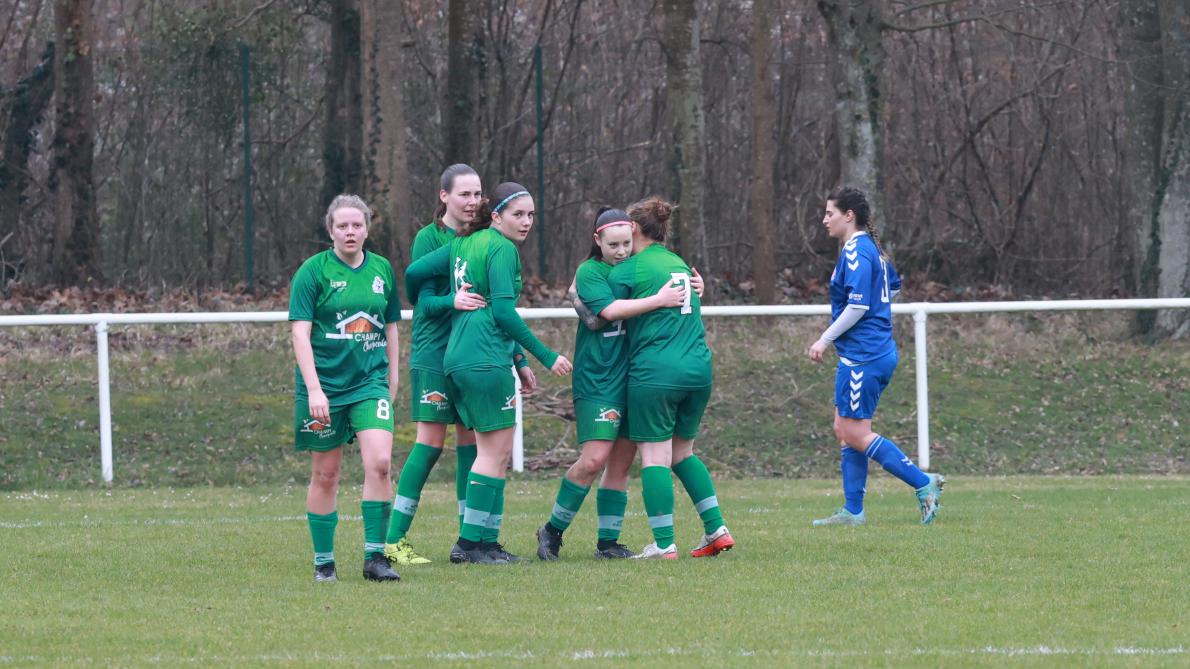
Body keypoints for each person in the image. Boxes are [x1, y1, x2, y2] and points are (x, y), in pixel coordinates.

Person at [405, 182, 572, 564]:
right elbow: (502, 313)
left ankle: (486, 541)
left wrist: (435, 300)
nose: (527, 221)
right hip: (484, 359)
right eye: (518, 214)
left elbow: (414, 272)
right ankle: (470, 544)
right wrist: (545, 356)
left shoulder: (465, 242)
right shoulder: (500, 248)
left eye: (531, 214)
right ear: (496, 215)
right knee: (492, 453)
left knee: (492, 453)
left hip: (458, 358)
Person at [535, 207, 689, 561]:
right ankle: (552, 530)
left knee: (619, 464)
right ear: (597, 241)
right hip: (598, 379)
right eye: (614, 244)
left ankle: (608, 542)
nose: (621, 251)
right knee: (594, 460)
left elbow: (672, 285)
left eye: (626, 243)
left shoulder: (636, 270)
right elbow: (607, 313)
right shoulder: (590, 271)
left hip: (634, 379)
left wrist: (693, 285)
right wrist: (658, 299)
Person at [591, 197, 733, 560]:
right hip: (698, 370)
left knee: (655, 457)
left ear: (633, 229)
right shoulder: (679, 264)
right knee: (682, 453)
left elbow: (593, 295)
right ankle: (716, 528)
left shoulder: (631, 268)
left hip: (657, 372)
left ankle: (664, 543)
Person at [807, 186, 944, 526]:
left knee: (854, 432)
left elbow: (858, 305)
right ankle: (853, 511)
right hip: (872, 351)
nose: (825, 220)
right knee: (845, 427)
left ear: (848, 216)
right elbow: (892, 288)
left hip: (864, 356)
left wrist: (824, 339)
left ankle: (923, 482)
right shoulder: (873, 251)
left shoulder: (856, 252)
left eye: (830, 213)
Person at [289, 194, 402, 582]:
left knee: (381, 464)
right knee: (326, 475)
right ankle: (324, 562)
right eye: (342, 226)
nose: (350, 231)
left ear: (368, 228)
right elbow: (300, 334)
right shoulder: (313, 271)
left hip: (369, 384)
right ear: (330, 230)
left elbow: (390, 326)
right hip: (323, 387)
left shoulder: (383, 269)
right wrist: (315, 389)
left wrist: (393, 377)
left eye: (357, 225)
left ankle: (376, 558)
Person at [383, 164, 486, 566]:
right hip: (434, 353)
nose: (473, 201)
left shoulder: (482, 239)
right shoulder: (429, 239)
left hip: (471, 355)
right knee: (430, 443)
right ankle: (394, 539)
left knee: (470, 444)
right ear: (444, 196)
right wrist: (452, 302)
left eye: (477, 194)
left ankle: (468, 539)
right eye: (465, 194)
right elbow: (422, 302)